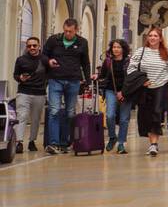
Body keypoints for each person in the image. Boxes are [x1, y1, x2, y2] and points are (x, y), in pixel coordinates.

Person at [42, 18, 91, 154]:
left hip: (73, 81)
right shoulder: (53, 40)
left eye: (70, 31)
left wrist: (88, 80)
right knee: (54, 111)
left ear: (76, 30)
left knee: (70, 113)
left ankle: (65, 142)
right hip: (55, 80)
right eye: (65, 31)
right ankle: (53, 143)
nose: (67, 34)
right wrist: (49, 61)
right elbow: (43, 55)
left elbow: (85, 63)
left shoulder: (82, 42)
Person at [128, 25, 168, 157]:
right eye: (150, 35)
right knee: (145, 115)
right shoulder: (141, 52)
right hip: (144, 87)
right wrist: (141, 81)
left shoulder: (166, 53)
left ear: (160, 38)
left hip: (161, 86)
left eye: (155, 36)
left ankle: (154, 144)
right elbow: (131, 68)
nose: (152, 38)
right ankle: (151, 140)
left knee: (157, 114)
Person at [12, 36, 47, 154]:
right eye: (29, 46)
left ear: (39, 46)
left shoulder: (44, 59)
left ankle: (32, 141)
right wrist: (20, 78)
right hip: (23, 92)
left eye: (34, 45)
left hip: (39, 93)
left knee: (36, 119)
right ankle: (19, 142)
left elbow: (50, 73)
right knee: (21, 116)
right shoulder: (20, 59)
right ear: (27, 47)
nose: (32, 48)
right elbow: (15, 75)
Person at [99, 38, 133, 154]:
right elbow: (102, 75)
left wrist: (123, 92)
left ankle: (121, 144)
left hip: (126, 92)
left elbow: (131, 79)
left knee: (124, 119)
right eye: (114, 47)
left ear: (123, 49)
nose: (116, 49)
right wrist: (96, 76)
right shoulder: (108, 61)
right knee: (109, 115)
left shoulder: (129, 62)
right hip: (110, 91)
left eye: (118, 47)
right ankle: (112, 137)